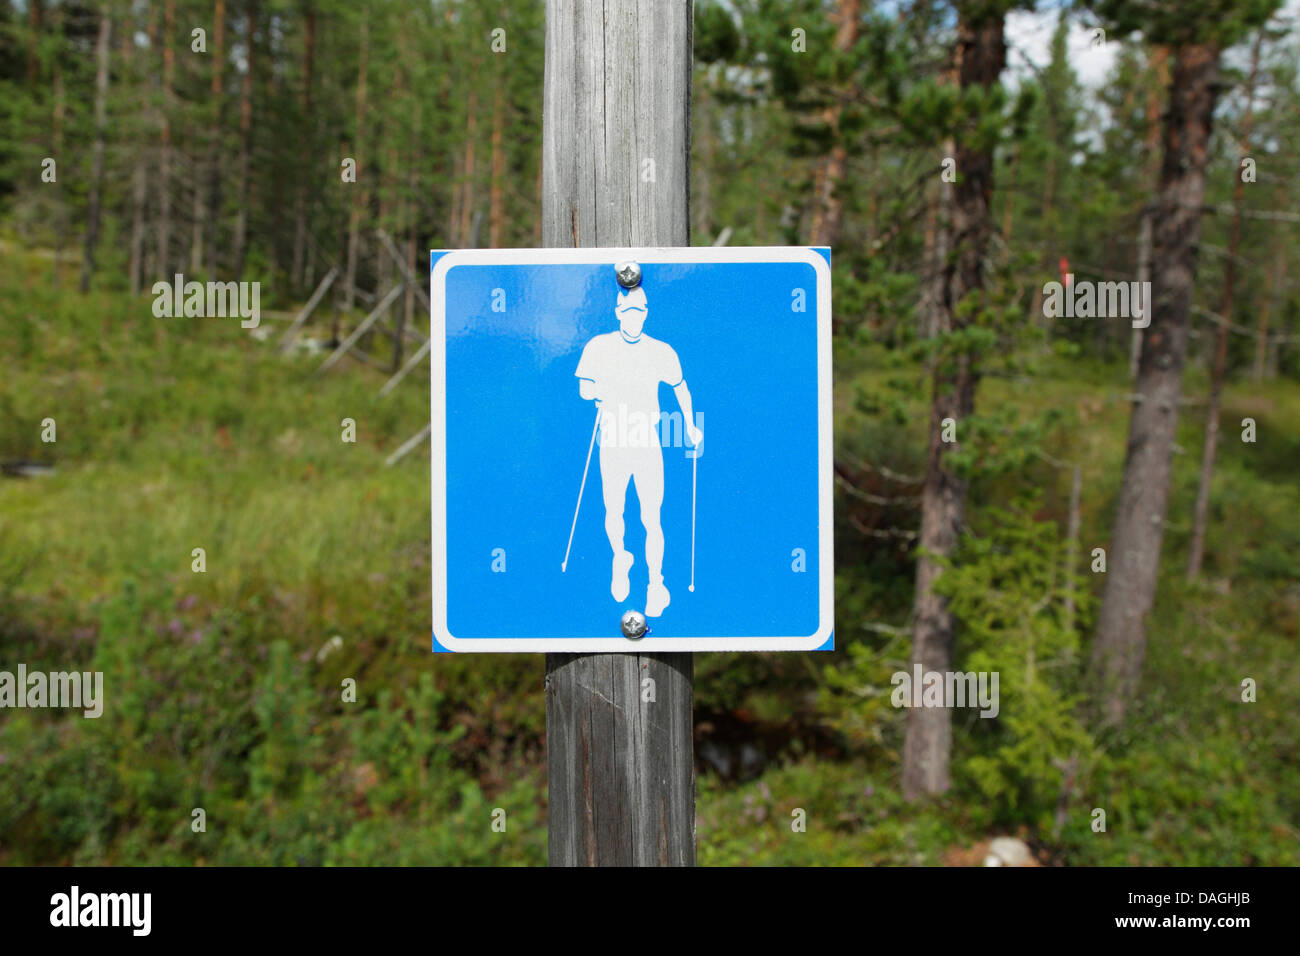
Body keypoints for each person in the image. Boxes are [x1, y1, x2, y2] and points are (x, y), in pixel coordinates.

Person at [575, 284, 701, 617]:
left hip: (647, 441)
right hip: (613, 440)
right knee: (613, 512)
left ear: (647, 312)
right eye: (629, 310)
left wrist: (689, 424)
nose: (635, 317)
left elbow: (681, 388)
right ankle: (620, 557)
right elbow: (584, 388)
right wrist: (599, 392)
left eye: (641, 310)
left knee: (651, 517)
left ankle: (656, 585)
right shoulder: (598, 346)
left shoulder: (661, 351)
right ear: (618, 312)